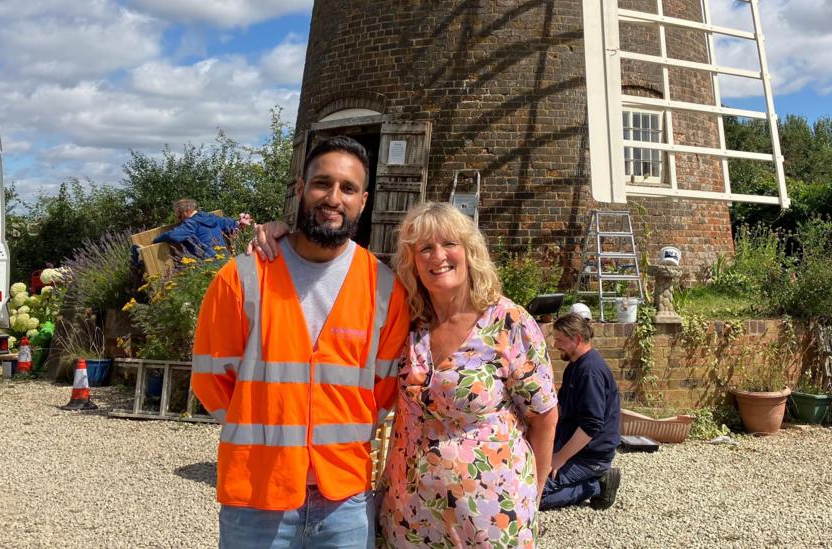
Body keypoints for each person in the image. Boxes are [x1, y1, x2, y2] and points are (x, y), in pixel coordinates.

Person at [249, 202, 559, 548]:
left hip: (489, 515)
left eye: (449, 244)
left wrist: (534, 491)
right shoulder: (407, 319)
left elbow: (544, 417)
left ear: (471, 251)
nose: (437, 256)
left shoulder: (509, 323)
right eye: (425, 248)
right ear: (412, 261)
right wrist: (287, 236)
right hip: (409, 513)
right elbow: (342, 277)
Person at [191, 136, 410, 548]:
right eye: (322, 183)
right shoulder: (242, 278)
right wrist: (265, 429)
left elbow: (385, 391)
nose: (333, 197)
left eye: (347, 188)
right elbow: (210, 380)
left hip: (343, 497)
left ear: (363, 200)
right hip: (257, 495)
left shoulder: (385, 289)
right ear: (300, 188)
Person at [540, 311, 621, 511]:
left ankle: (596, 484)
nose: (555, 345)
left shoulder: (590, 372)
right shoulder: (574, 366)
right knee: (526, 482)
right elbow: (560, 408)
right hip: (570, 447)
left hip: (590, 457)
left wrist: (559, 458)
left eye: (559, 339)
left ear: (576, 339)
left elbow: (591, 425)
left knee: (533, 497)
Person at [152, 198, 237, 258]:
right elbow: (232, 223)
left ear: (186, 212)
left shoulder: (192, 223)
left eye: (179, 216)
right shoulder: (211, 217)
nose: (179, 220)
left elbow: (173, 236)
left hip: (207, 263)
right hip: (224, 257)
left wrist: (155, 241)